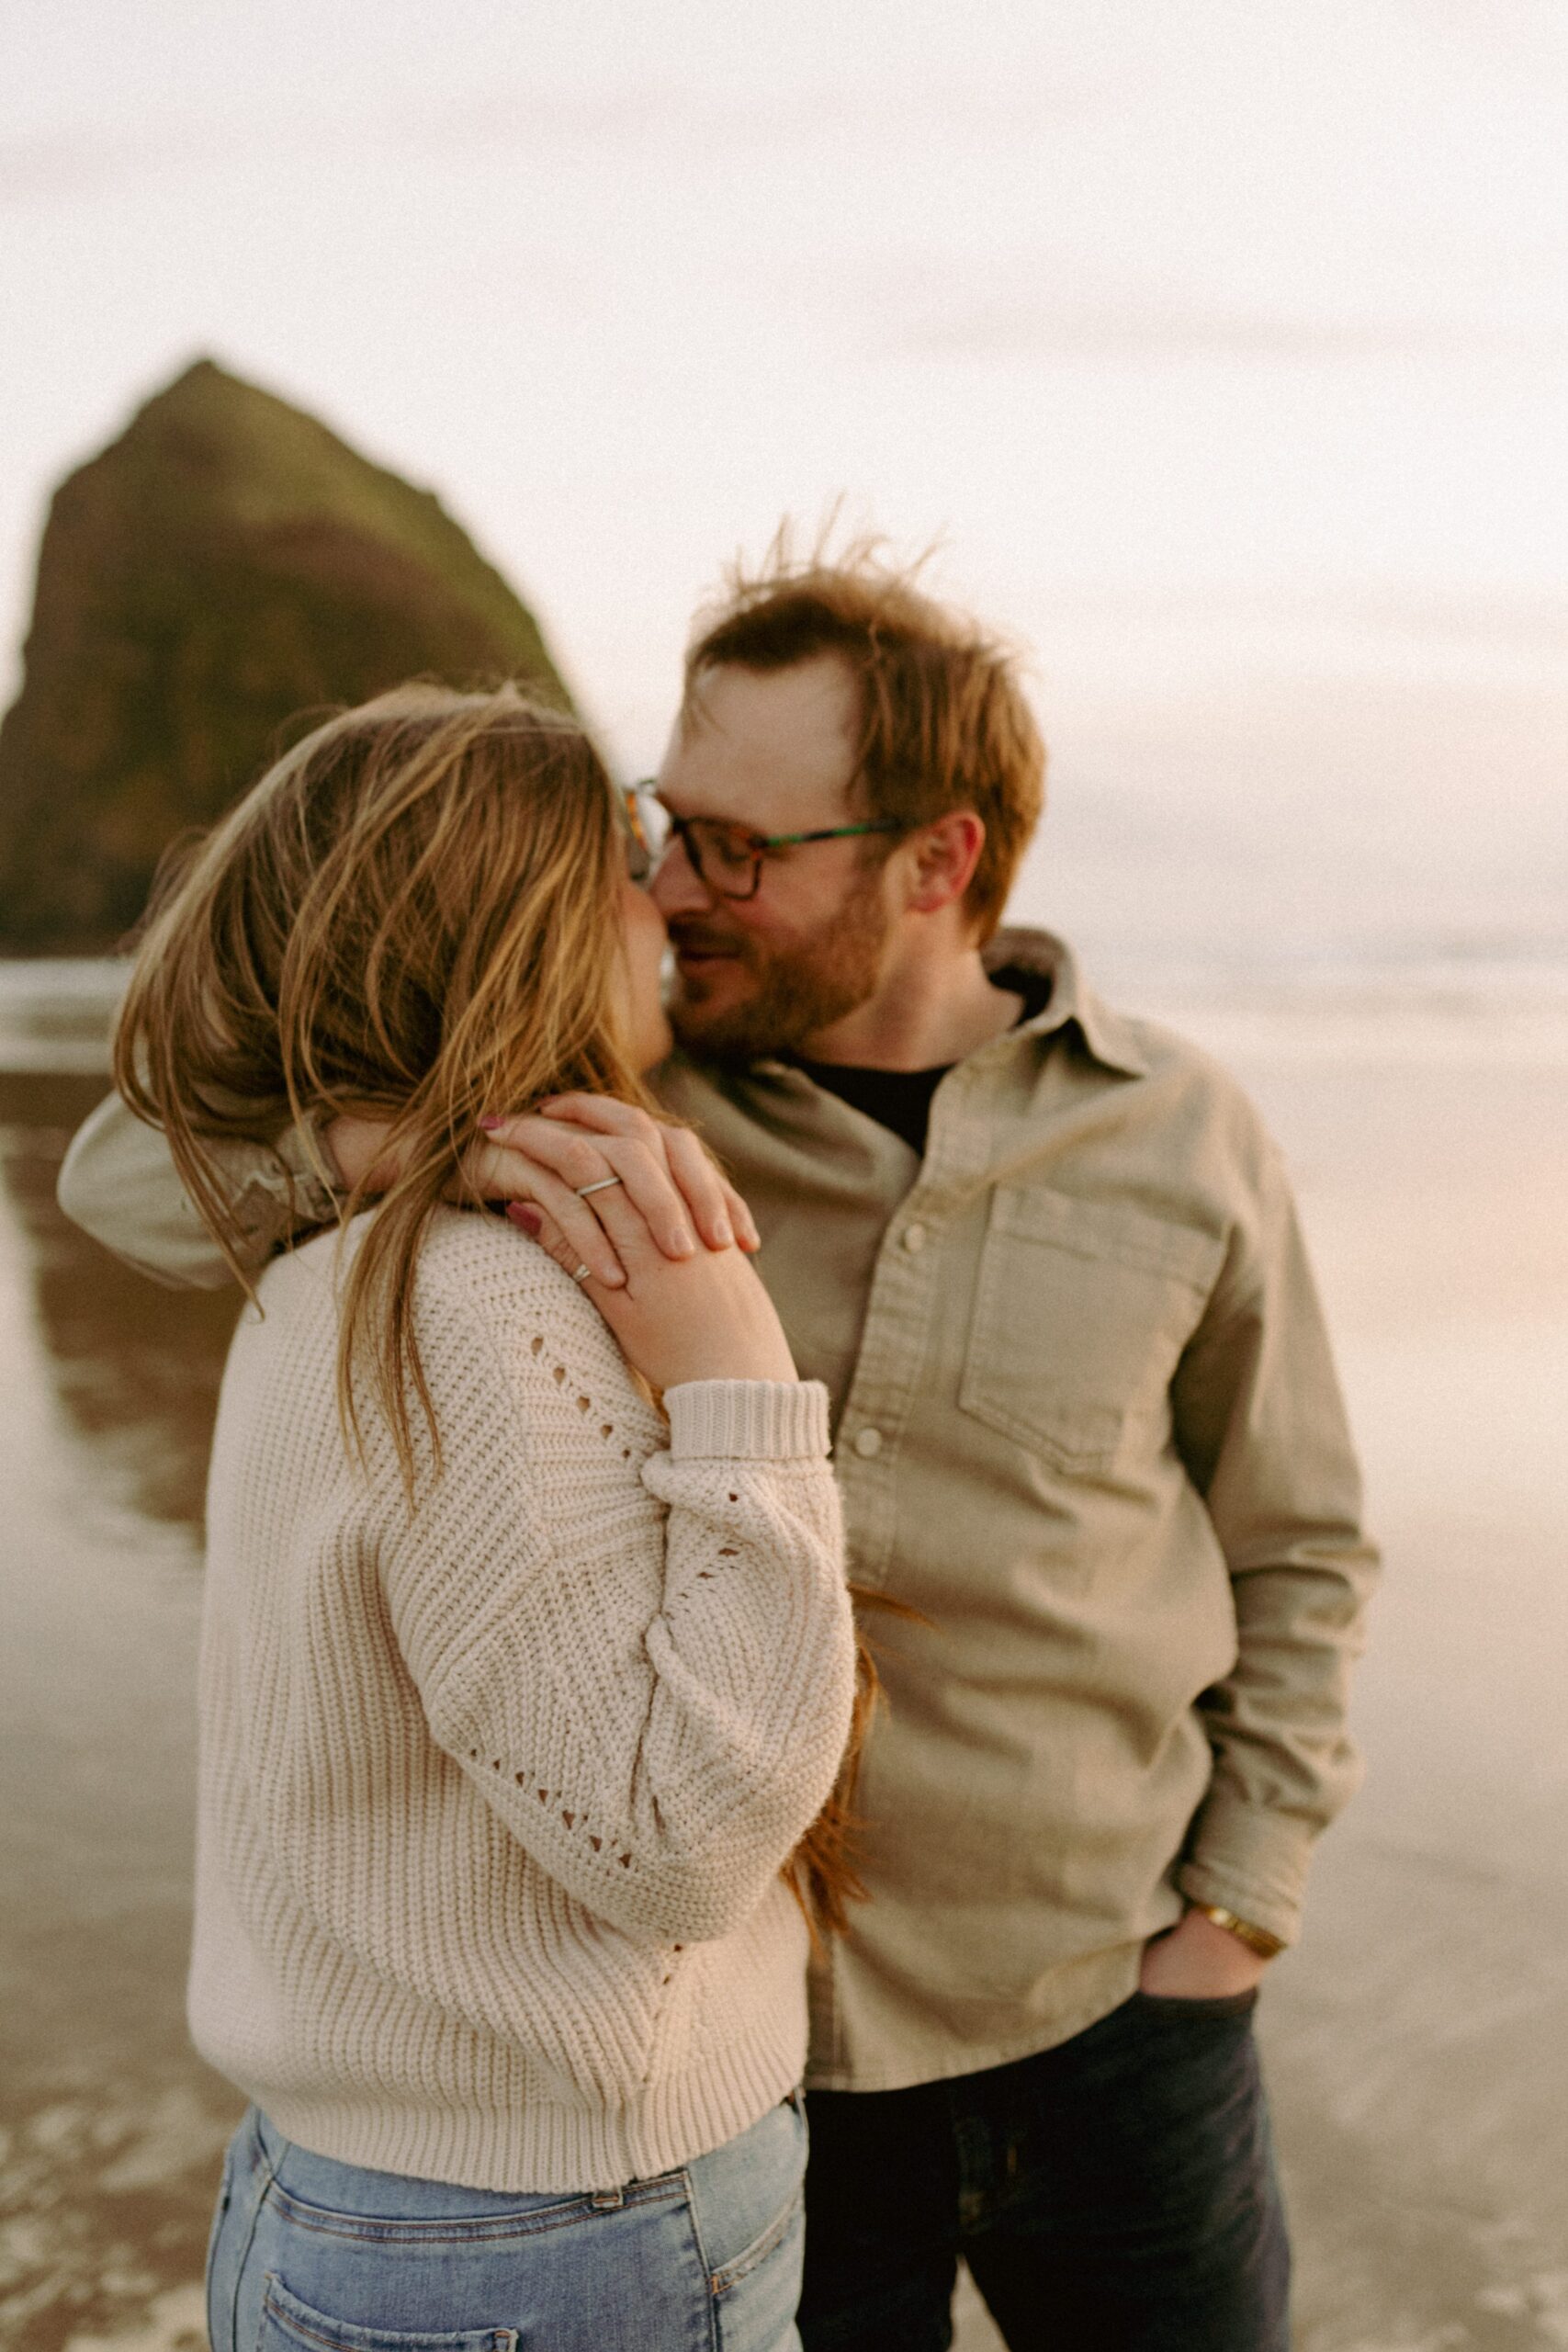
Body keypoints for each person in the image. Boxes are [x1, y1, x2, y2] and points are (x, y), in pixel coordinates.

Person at [62, 552, 1378, 2352]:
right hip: (760, 2078)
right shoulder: (603, 1102)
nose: (678, 886)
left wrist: (1238, 1905)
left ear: (938, 861)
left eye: (740, 850)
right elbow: (122, 1177)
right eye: (671, 829)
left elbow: (1295, 1538)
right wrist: (404, 1144)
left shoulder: (1182, 1131)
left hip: (1114, 2017)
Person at [93, 682, 859, 2352]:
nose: (666, 897)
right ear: (520, 927)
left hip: (332, 2194)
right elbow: (679, 1846)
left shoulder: (325, 1266)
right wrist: (740, 1380)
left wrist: (412, 1135)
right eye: (631, 859)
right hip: (552, 2237)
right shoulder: (487, 1304)